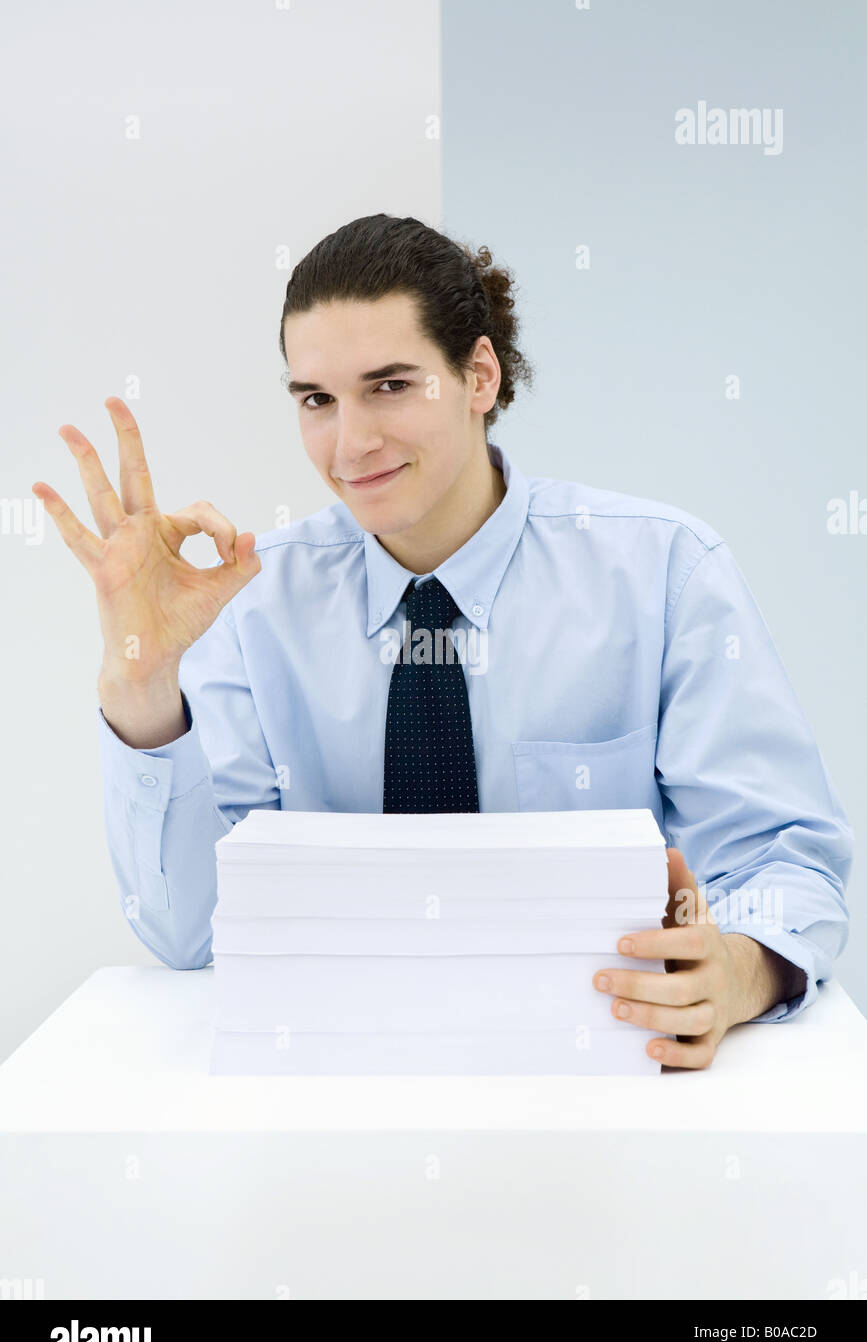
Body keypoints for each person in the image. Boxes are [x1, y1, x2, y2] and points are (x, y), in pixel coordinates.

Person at [33, 213, 852, 1070]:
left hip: (598, 1080)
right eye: (317, 400)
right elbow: (196, 934)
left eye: (389, 385)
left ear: (478, 376)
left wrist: (741, 970)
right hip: (335, 1087)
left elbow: (783, 858)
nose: (350, 444)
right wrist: (144, 684)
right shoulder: (251, 603)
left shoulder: (662, 573)